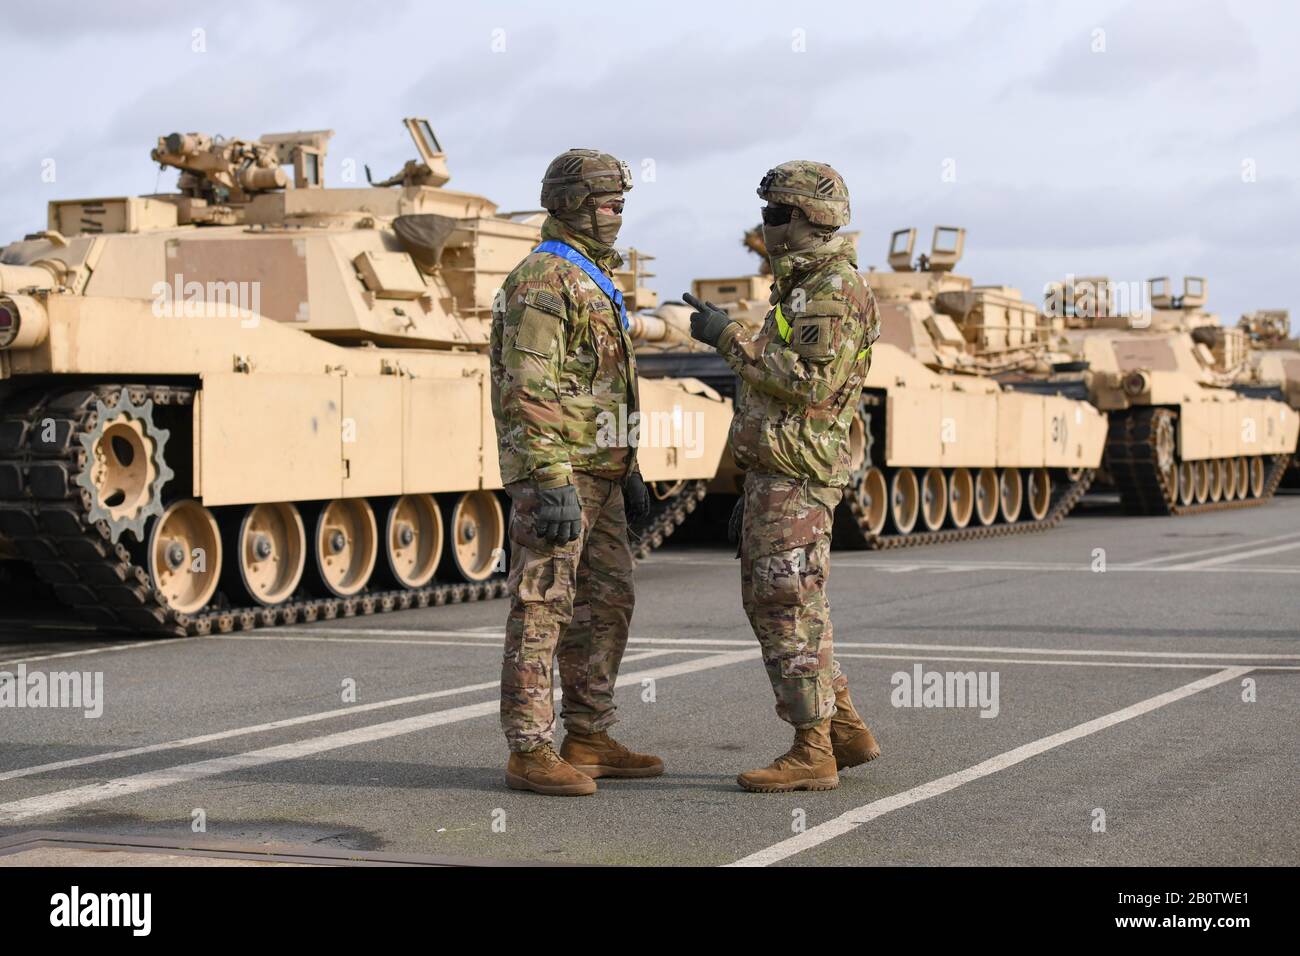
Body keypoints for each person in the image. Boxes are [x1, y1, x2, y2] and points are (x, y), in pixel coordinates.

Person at [684, 160, 883, 792]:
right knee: (797, 603)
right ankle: (842, 728)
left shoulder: (829, 289)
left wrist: (729, 338)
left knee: (783, 605)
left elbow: (810, 381)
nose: (765, 226)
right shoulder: (803, 286)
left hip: (797, 471)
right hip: (783, 469)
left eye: (775, 214)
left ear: (805, 219)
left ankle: (811, 750)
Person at [489, 148, 662, 796]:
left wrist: (631, 467)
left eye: (620, 199)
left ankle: (588, 734)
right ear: (568, 203)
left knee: (608, 602)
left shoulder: (593, 278)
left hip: (603, 472)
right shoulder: (543, 279)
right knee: (543, 606)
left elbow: (605, 386)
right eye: (604, 199)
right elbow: (527, 388)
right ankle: (529, 748)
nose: (616, 210)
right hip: (558, 474)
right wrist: (551, 476)